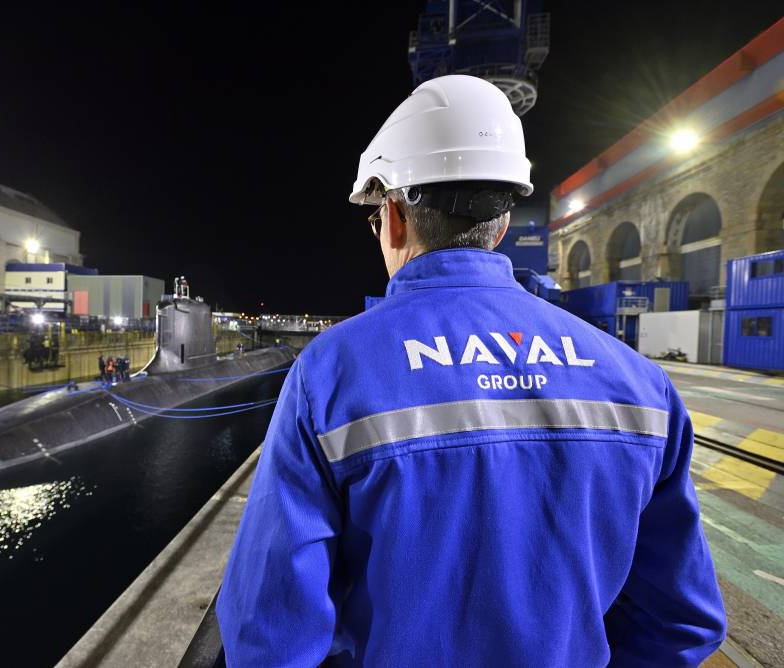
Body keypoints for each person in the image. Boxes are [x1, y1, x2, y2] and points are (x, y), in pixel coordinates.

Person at [217, 75, 726, 666]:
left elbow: (269, 631)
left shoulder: (328, 374)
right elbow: (684, 621)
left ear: (394, 215)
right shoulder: (640, 383)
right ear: (503, 224)